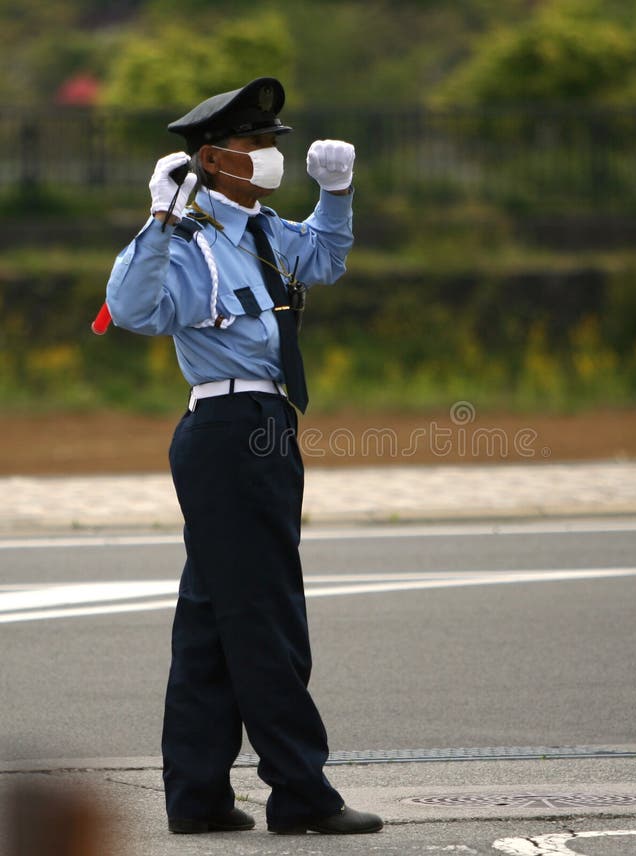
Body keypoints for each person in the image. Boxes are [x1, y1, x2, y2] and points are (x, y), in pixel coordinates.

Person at [105, 77, 383, 836]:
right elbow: (131, 309)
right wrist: (160, 216)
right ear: (211, 159)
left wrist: (337, 193)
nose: (268, 155)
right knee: (267, 615)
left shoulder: (263, 231)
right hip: (230, 429)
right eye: (253, 143)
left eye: (270, 142)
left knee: (210, 620)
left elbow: (323, 260)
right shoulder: (190, 240)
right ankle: (300, 792)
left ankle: (197, 796)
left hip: (263, 423)